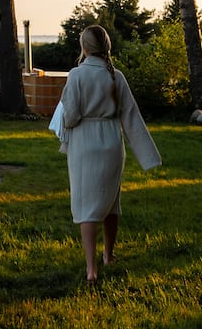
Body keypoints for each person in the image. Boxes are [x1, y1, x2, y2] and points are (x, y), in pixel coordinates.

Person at [58, 24, 162, 284]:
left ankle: (91, 269)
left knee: (87, 205)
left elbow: (70, 116)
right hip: (112, 143)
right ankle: (109, 255)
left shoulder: (76, 75)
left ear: (84, 47)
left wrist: (66, 120)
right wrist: (148, 156)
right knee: (111, 202)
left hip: (85, 143)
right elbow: (131, 116)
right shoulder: (116, 76)